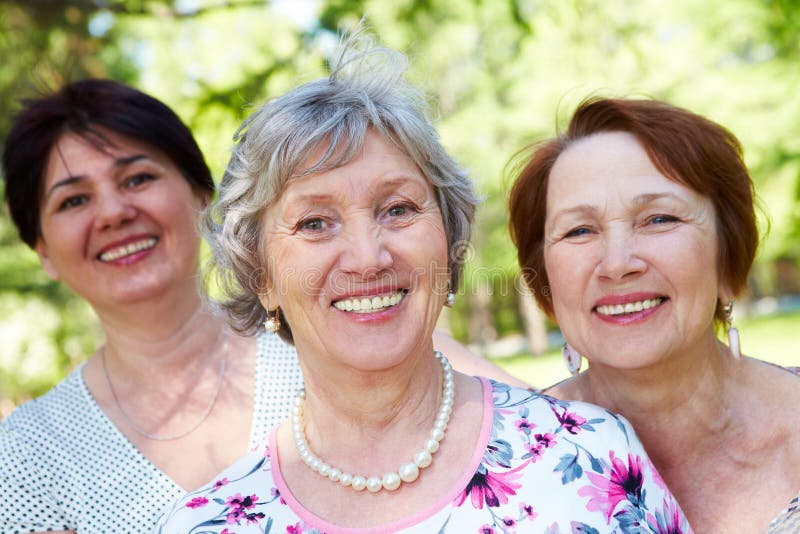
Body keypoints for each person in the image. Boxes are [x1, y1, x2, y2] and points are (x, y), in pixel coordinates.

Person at [155, 35, 690, 533]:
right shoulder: (209, 522)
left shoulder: (592, 456)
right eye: (315, 222)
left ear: (450, 243)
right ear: (261, 277)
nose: (368, 257)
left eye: (398, 208)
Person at [0, 79, 523, 534]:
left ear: (203, 197)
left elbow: (536, 436)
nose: (113, 212)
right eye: (73, 200)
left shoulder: (346, 332)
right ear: (41, 248)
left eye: (137, 178)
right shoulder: (28, 452)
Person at [508, 96, 800, 533]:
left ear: (727, 257)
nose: (618, 263)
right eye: (580, 230)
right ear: (546, 280)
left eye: (659, 219)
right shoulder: (504, 467)